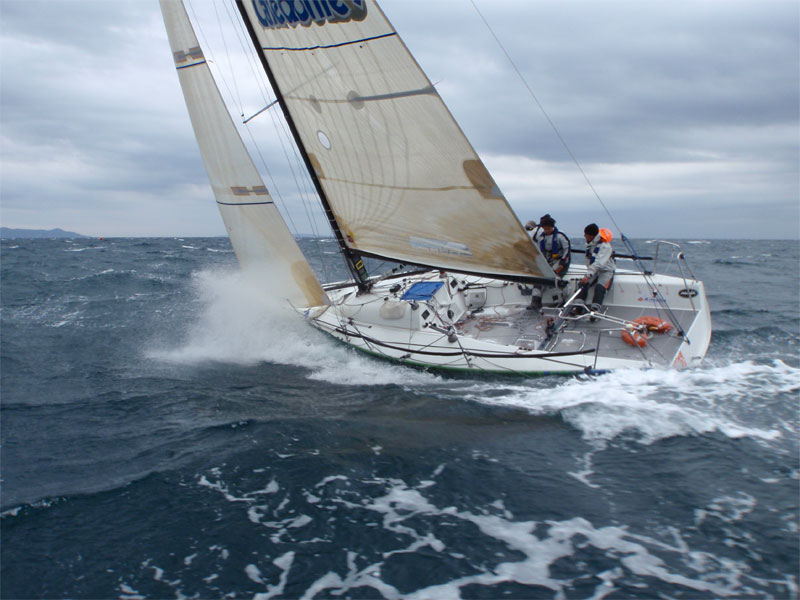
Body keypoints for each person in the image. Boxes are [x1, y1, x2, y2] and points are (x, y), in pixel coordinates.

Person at [525, 214, 571, 310]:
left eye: (549, 229)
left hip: (560, 261)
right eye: (545, 229)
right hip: (548, 262)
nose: (547, 231)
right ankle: (536, 301)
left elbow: (567, 251)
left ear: (552, 227)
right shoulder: (541, 238)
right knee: (538, 280)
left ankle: (558, 301)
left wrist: (562, 265)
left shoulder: (560, 237)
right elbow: (539, 252)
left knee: (553, 278)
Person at [575, 223, 615, 311]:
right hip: (594, 271)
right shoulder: (591, 244)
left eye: (586, 234)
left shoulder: (605, 246)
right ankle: (578, 305)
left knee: (600, 287)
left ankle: (595, 308)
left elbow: (598, 263)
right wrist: (588, 275)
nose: (584, 236)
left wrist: (588, 275)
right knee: (583, 284)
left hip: (606, 271)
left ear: (591, 235)